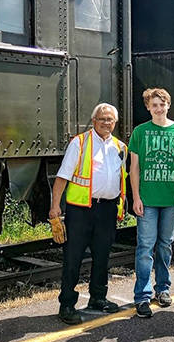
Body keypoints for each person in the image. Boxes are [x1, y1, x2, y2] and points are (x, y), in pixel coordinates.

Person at [50, 103, 128, 325]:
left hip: (107, 209)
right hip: (81, 210)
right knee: (73, 257)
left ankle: (98, 298)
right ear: (94, 121)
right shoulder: (80, 143)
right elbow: (62, 177)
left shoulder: (120, 147)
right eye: (102, 119)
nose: (106, 123)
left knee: (102, 256)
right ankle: (66, 304)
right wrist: (55, 206)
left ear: (115, 123)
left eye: (110, 120)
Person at [130, 88, 174, 318]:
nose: (158, 108)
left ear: (168, 105)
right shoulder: (140, 132)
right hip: (147, 199)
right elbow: (134, 168)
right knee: (145, 248)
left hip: (171, 198)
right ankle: (142, 296)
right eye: (154, 105)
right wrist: (136, 197)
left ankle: (163, 289)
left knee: (165, 245)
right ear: (148, 107)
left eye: (162, 104)